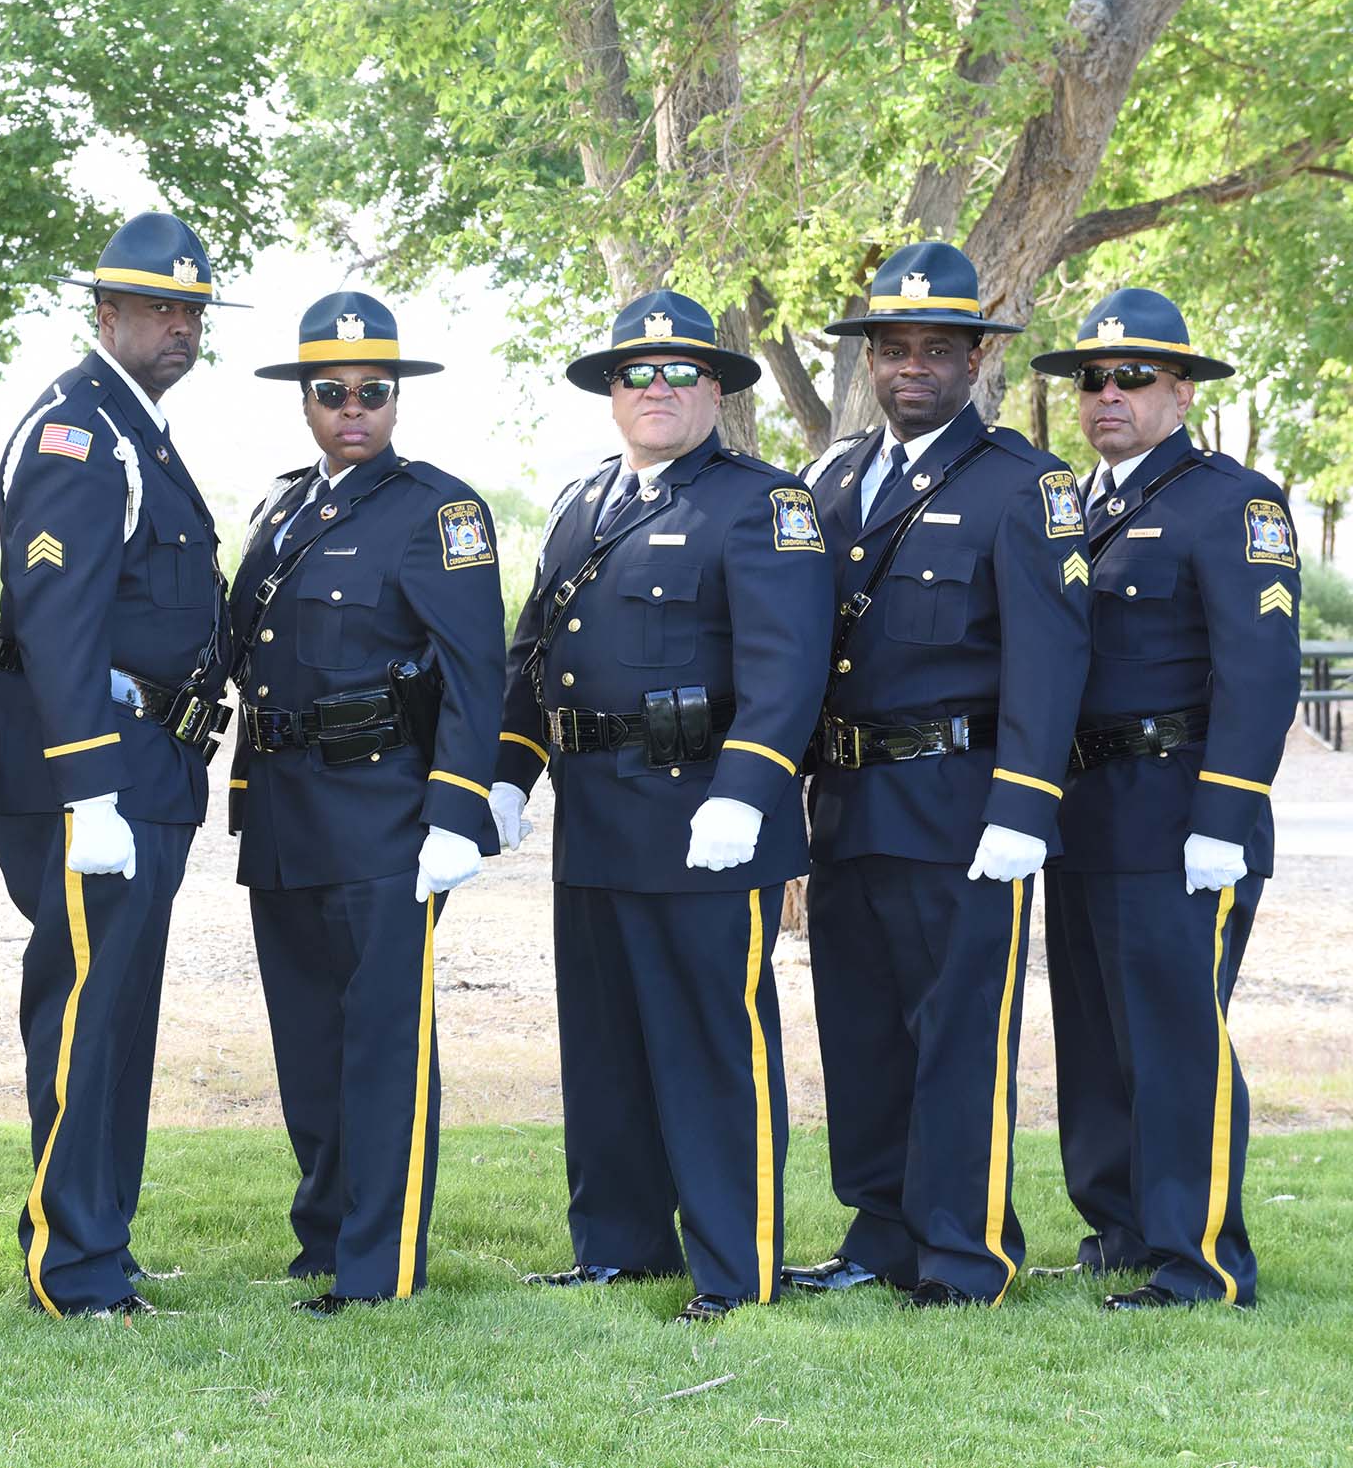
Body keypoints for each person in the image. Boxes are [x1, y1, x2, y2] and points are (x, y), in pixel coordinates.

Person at [490, 291, 833, 1322]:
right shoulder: (581, 505)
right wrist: (510, 773)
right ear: (610, 394)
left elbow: (789, 671)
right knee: (606, 1047)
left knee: (711, 1049)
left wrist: (746, 793)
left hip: (703, 821)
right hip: (594, 816)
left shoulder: (763, 504)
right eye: (635, 374)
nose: (656, 390)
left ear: (718, 391)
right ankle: (620, 1247)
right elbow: (532, 654)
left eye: (681, 372)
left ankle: (739, 1265)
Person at [784, 240, 1090, 1308]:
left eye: (936, 350)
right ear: (870, 361)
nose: (912, 366)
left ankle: (965, 1253)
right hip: (849, 801)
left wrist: (1024, 806)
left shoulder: (1026, 485)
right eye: (893, 348)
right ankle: (880, 1236)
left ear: (975, 363)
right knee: (861, 1031)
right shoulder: (827, 478)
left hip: (962, 806)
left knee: (958, 1036)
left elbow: (1053, 660)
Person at [0, 211, 243, 1317]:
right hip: (101, 762)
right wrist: (90, 787)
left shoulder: (140, 432)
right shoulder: (80, 433)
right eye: (157, 309)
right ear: (105, 313)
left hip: (149, 757)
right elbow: (59, 619)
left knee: (119, 1011)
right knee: (86, 1006)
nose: (178, 329)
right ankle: (70, 1263)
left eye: (191, 312)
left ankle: (97, 1241)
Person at [227, 292, 503, 1316]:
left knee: (384, 1047)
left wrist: (454, 814)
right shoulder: (281, 506)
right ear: (306, 400)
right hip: (283, 813)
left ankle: (377, 1265)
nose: (353, 408)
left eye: (372, 392)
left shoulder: (440, 511)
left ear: (398, 399)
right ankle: (323, 1241)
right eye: (332, 392)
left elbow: (478, 674)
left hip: (386, 816)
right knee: (308, 1044)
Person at [1031, 288, 1302, 1310]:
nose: (1107, 395)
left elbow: (1261, 675)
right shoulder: (1076, 506)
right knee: (1098, 1038)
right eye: (1092, 380)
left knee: (1177, 1039)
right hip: (1086, 815)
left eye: (1132, 377)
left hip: (1184, 813)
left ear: (1181, 391)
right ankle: (1123, 1232)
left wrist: (1224, 818)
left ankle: (1203, 1262)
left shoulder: (1232, 503)